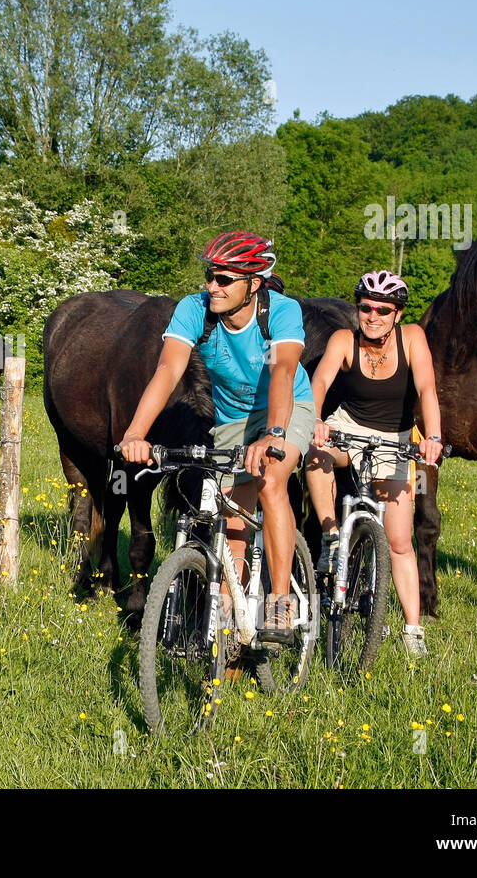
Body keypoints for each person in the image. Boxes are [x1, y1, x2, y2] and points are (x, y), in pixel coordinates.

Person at [118, 231, 316, 639]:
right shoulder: (194, 310)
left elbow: (282, 370)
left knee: (271, 481)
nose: (212, 286)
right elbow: (168, 370)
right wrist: (136, 433)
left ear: (254, 283)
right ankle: (229, 622)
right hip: (233, 419)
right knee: (232, 515)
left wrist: (274, 435)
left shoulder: (281, 311)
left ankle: (280, 600)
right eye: (210, 276)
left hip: (288, 408)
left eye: (224, 280)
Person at [303, 270, 443, 657]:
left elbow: (427, 388)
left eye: (384, 309)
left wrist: (432, 437)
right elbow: (320, 381)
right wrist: (315, 418)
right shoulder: (344, 340)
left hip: (395, 438)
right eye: (366, 307)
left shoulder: (412, 337)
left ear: (397, 313)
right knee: (315, 457)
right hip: (348, 426)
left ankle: (413, 630)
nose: (373, 315)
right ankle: (332, 535)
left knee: (399, 542)